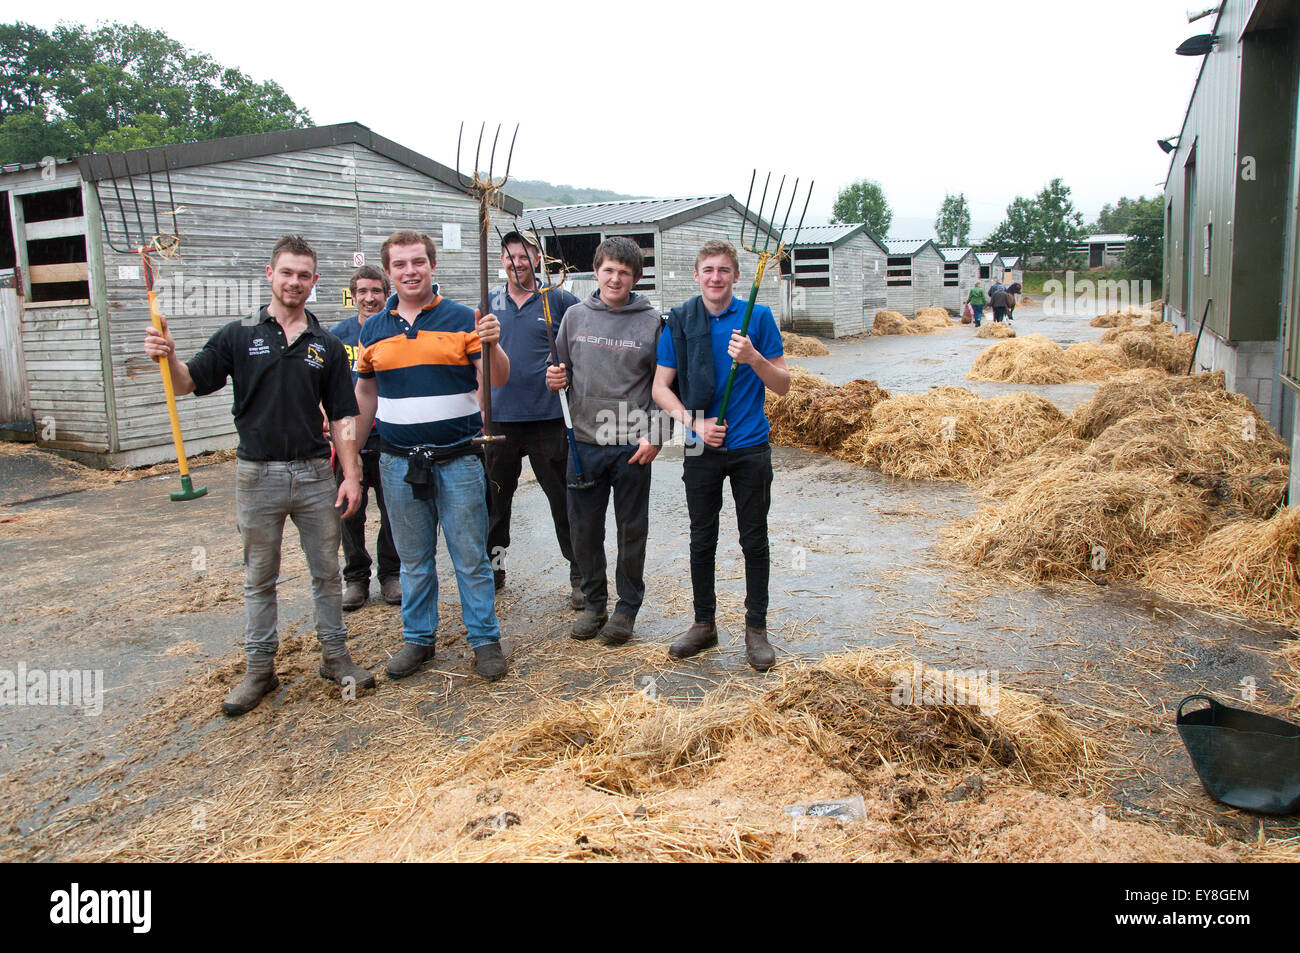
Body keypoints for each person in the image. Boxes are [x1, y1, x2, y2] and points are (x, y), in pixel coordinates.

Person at [142, 235, 372, 716]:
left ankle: (335, 657)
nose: (295, 282)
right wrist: (170, 357)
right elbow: (190, 382)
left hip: (314, 474)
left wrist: (350, 475)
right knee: (259, 577)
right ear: (270, 274)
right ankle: (259, 670)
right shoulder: (237, 335)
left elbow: (343, 416)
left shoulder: (326, 344)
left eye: (304, 275)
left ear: (314, 282)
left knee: (326, 573)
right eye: (286, 272)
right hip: (255, 475)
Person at [353, 230, 510, 682]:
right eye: (400, 264)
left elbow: (497, 380)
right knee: (414, 560)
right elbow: (365, 395)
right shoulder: (373, 329)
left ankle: (484, 640)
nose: (410, 271)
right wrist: (349, 458)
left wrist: (493, 343)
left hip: (458, 460)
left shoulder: (464, 318)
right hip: (398, 463)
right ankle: (419, 640)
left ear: (432, 266)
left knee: (470, 557)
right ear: (388, 271)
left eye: (418, 262)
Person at [651, 239, 790, 672]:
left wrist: (752, 358)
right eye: (708, 270)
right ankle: (704, 623)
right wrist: (696, 426)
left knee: (754, 539)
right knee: (701, 538)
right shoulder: (681, 320)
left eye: (724, 270)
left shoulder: (758, 318)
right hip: (700, 444)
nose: (716, 277)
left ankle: (756, 629)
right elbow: (660, 388)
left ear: (735, 276)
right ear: (697, 275)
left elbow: (783, 384)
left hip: (750, 445)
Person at [544, 237, 662, 646]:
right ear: (596, 272)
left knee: (632, 530)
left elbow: (666, 385)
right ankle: (595, 603)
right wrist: (552, 378)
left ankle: (626, 608)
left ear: (636, 278)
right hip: (583, 443)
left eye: (624, 273)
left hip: (633, 445)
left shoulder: (652, 322)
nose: (615, 278)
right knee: (585, 530)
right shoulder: (575, 317)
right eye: (609, 270)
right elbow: (557, 373)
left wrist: (656, 434)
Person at [486, 229, 584, 609]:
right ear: (501, 260)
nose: (517, 262)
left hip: (548, 417)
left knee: (563, 500)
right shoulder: (489, 301)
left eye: (525, 256)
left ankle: (578, 573)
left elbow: (581, 344)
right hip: (501, 419)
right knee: (496, 502)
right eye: (510, 256)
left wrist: (570, 380)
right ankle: (495, 567)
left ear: (538, 260)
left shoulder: (558, 299)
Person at [330, 266, 401, 610]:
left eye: (376, 291)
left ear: (386, 293)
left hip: (386, 434)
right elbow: (322, 390)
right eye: (362, 291)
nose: (369, 298)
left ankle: (391, 574)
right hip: (346, 438)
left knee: (393, 510)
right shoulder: (336, 337)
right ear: (353, 295)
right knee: (350, 510)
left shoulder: (394, 332)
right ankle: (356, 578)